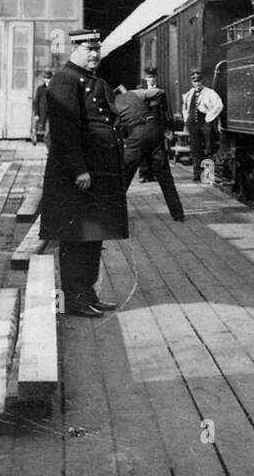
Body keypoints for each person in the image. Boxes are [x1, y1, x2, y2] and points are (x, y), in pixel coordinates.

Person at [40, 29, 128, 318]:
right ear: (74, 49)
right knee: (75, 238)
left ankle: (88, 294)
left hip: (97, 174)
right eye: (89, 49)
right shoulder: (65, 80)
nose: (95, 55)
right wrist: (78, 169)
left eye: (97, 50)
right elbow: (65, 131)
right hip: (78, 175)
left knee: (93, 236)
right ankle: (74, 300)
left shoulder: (92, 80)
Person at [117, 66, 184, 220]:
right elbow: (159, 92)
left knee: (124, 174)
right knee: (165, 175)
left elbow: (118, 131)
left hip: (138, 134)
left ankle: (115, 215)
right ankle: (178, 214)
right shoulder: (135, 93)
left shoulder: (112, 104)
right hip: (154, 129)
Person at [181, 68, 224, 183]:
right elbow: (184, 107)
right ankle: (197, 174)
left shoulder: (210, 93)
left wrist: (209, 117)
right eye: (195, 81)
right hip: (193, 125)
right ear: (192, 82)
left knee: (207, 148)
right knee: (195, 148)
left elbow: (218, 106)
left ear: (202, 80)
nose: (197, 83)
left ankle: (208, 176)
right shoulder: (189, 93)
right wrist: (186, 119)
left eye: (199, 80)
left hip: (205, 124)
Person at [31, 70, 52, 144]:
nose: (48, 80)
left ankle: (48, 140)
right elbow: (36, 102)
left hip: (51, 111)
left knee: (49, 127)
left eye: (49, 78)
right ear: (44, 79)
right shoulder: (40, 89)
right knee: (40, 126)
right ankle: (37, 137)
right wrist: (36, 114)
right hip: (42, 111)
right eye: (46, 78)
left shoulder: (54, 88)